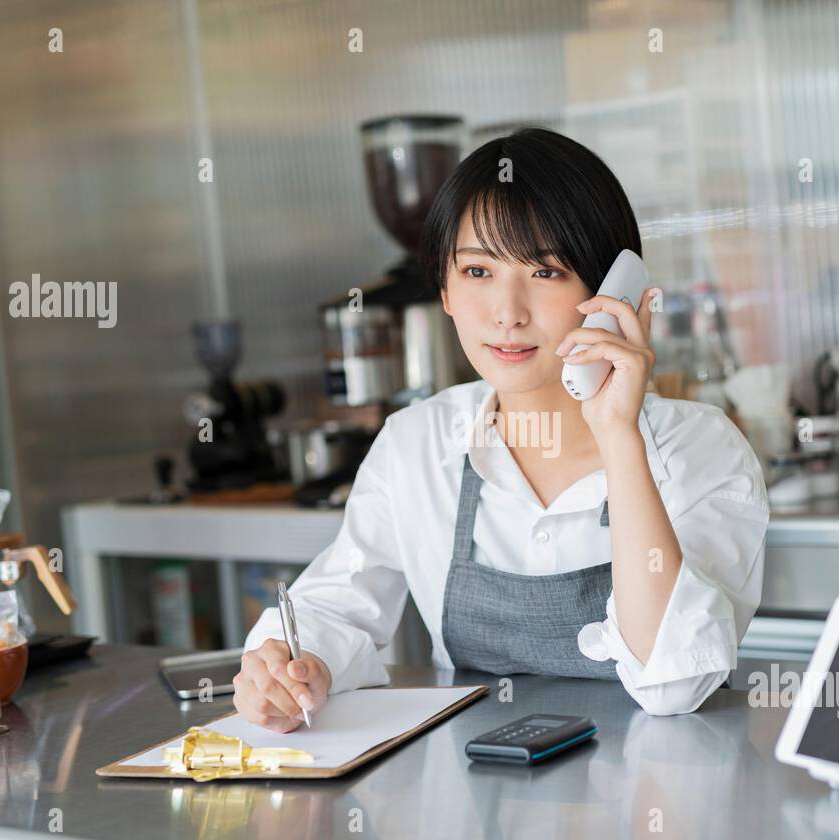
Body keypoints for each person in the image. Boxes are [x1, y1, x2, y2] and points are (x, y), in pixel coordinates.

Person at [235, 127, 768, 728]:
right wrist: (289, 668)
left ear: (613, 290)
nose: (508, 313)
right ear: (444, 288)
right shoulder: (418, 442)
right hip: (472, 797)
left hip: (653, 804)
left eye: (545, 273)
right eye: (479, 271)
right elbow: (335, 607)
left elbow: (674, 682)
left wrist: (620, 438)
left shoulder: (700, 447)